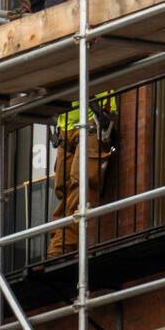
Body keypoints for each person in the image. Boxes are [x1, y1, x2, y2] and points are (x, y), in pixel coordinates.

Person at [47, 89, 118, 258]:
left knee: (81, 183)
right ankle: (58, 243)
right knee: (63, 188)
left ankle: (63, 247)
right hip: (66, 129)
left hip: (93, 120)